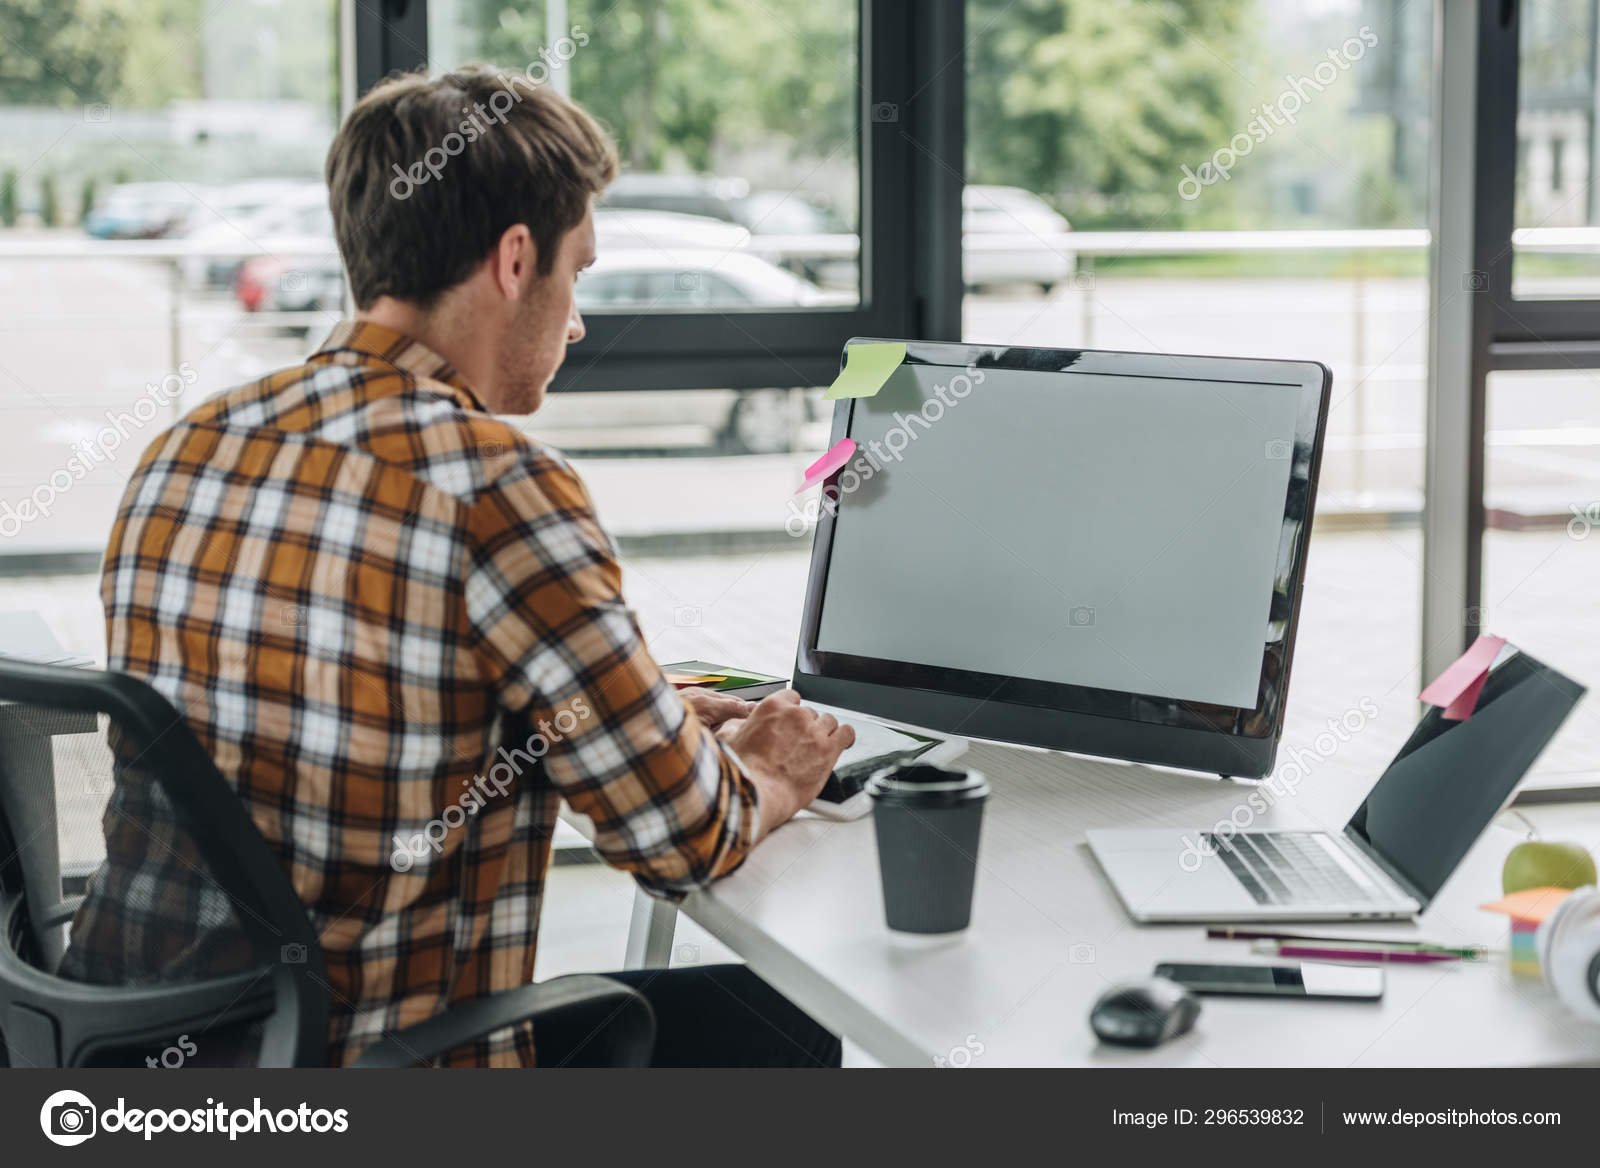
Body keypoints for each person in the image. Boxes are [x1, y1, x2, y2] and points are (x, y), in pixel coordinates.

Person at [60, 65, 854, 1068]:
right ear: (515, 260)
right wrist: (771, 767)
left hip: (132, 1059)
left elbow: (332, 714)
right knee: (782, 1024)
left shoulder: (191, 444)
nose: (576, 321)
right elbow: (683, 838)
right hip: (367, 1064)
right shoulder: (497, 487)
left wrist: (634, 719)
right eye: (577, 273)